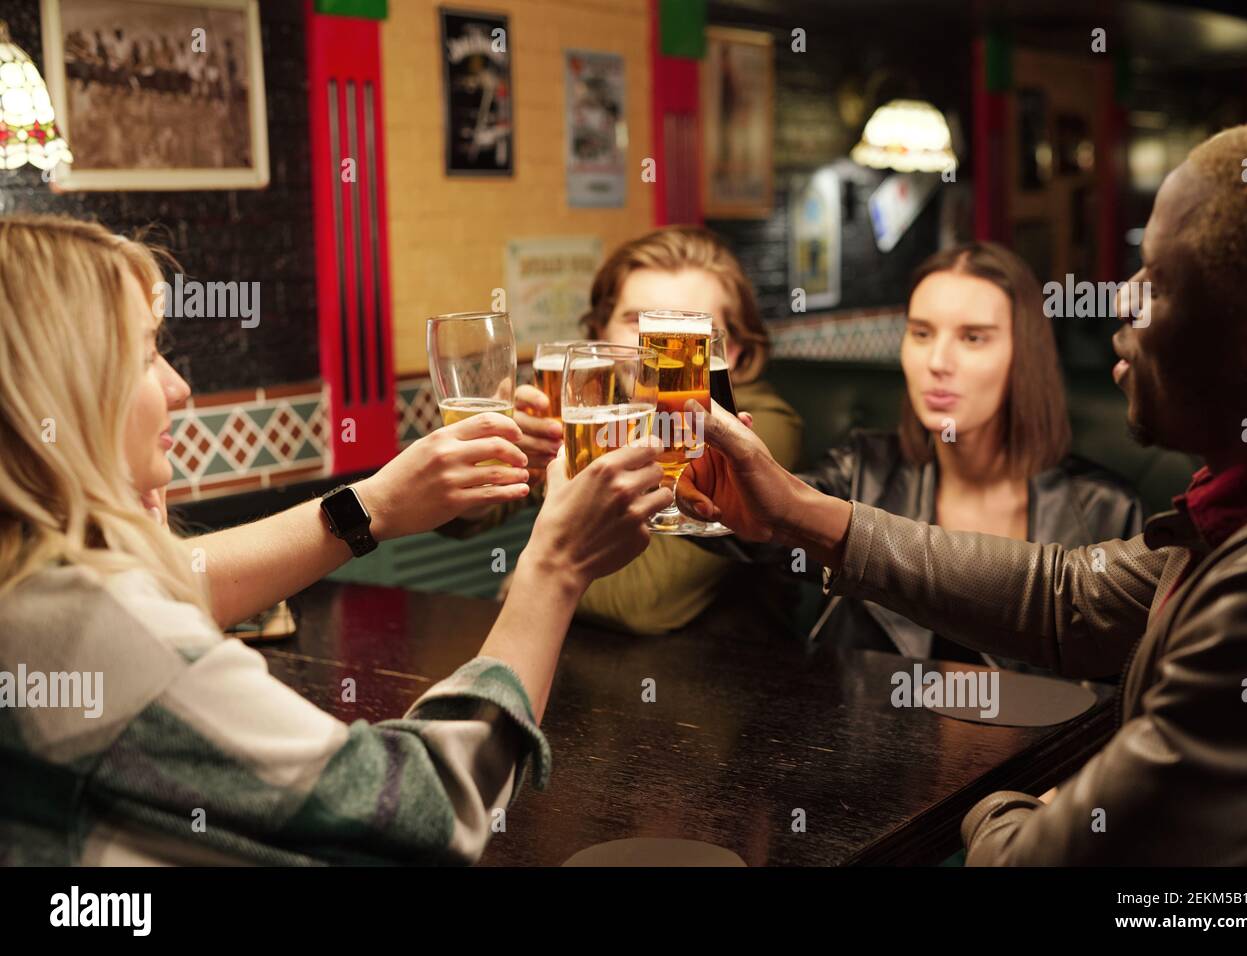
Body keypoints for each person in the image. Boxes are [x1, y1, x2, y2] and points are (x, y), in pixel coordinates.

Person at [677, 119, 1247, 864]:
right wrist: (797, 513)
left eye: (1156, 284)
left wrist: (1008, 795)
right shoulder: (1244, 506)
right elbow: (1069, 597)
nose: (1118, 300)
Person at [0, 214, 672, 865]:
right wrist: (554, 570)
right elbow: (426, 811)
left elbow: (179, 577)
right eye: (148, 354)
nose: (179, 388)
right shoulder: (90, 627)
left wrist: (371, 507)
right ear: (60, 396)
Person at [700, 241, 1143, 664]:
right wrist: (706, 473)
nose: (937, 361)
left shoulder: (1105, 511)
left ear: (1024, 356)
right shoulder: (863, 470)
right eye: (921, 333)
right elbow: (759, 528)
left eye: (973, 338)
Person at [448, 226, 803, 634]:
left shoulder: (765, 429)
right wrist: (503, 459)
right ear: (601, 333)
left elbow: (643, 601)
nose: (653, 346)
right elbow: (460, 520)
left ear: (732, 350)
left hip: (727, 678)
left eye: (683, 325)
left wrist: (526, 585)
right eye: (637, 320)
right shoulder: (604, 414)